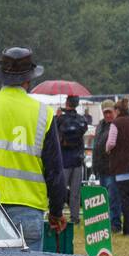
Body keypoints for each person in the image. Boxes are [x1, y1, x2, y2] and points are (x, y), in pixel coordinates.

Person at [0, 47, 67, 249]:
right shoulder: (43, 114)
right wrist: (56, 212)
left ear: (0, 77)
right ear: (29, 80)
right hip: (28, 210)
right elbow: (54, 171)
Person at [105, 95, 129, 235]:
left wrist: (107, 149)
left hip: (120, 166)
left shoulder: (116, 123)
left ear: (118, 110)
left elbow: (111, 142)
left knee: (124, 200)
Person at [56, 95, 89, 227]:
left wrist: (58, 115)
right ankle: (75, 217)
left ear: (67, 103)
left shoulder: (60, 119)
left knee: (61, 190)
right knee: (75, 192)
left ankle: (58, 214)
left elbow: (55, 133)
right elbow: (84, 130)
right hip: (78, 159)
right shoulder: (82, 119)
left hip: (64, 159)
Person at [90, 101, 118, 228]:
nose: (107, 115)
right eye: (105, 112)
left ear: (114, 111)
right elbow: (96, 146)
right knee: (104, 198)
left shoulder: (117, 125)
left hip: (112, 168)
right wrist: (94, 166)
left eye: (109, 112)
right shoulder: (100, 125)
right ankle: (106, 222)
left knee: (113, 198)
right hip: (101, 168)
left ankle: (115, 223)